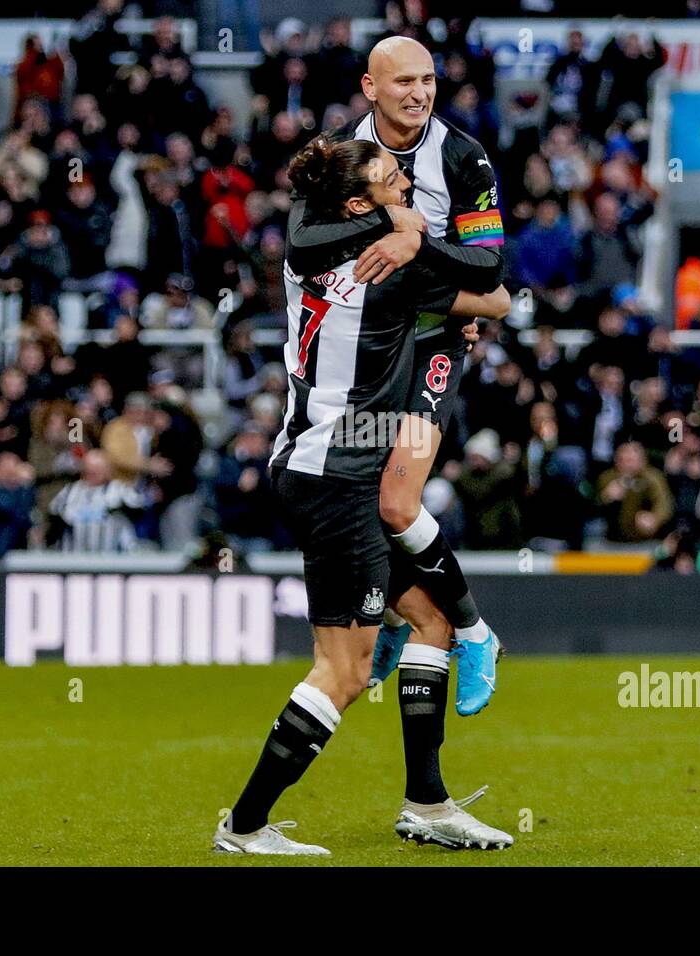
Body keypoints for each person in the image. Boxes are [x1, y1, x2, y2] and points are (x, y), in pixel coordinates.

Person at [215, 136, 512, 856]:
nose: (405, 180)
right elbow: (495, 287)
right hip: (339, 482)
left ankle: (428, 803)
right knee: (341, 671)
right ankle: (245, 825)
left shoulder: (305, 258)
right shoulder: (399, 275)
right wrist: (410, 234)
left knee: (430, 623)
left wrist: (400, 227)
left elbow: (317, 231)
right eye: (389, 178)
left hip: (310, 464)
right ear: (357, 202)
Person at [285, 35, 507, 716]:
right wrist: (389, 219)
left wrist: (419, 243)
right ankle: (384, 615)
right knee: (359, 496)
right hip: (365, 352)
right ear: (369, 87)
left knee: (397, 504)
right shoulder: (341, 154)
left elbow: (492, 273)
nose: (419, 92)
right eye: (404, 81)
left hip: (436, 341)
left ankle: (473, 632)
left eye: (429, 80)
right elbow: (301, 243)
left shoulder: (464, 158)